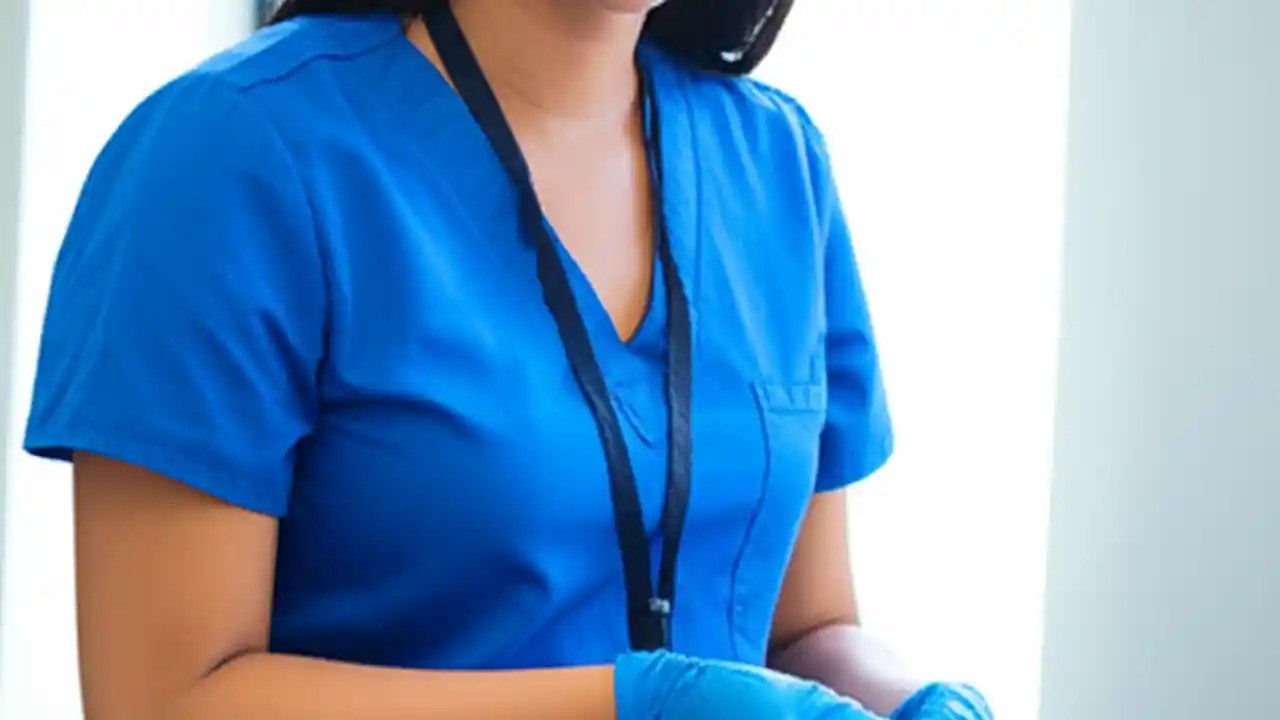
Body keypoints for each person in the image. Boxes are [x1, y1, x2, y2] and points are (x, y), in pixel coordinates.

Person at [24, 1, 994, 718]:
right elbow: (161, 701)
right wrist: (626, 705)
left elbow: (801, 632)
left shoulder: (776, 160)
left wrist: (905, 699)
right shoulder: (230, 153)